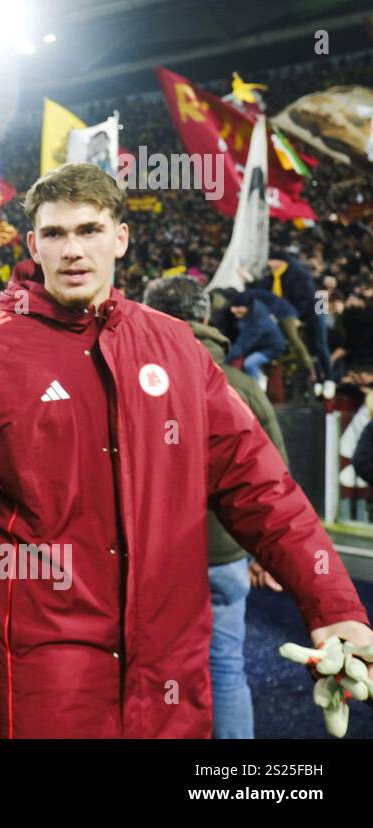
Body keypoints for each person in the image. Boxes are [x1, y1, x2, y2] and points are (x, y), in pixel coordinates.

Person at [0, 162, 371, 738]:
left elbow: (261, 487)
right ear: (33, 244)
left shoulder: (176, 347)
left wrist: (335, 605)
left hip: (170, 663)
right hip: (47, 664)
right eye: (55, 234)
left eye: (90, 230)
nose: (72, 249)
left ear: (120, 238)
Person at [143, 274, 288, 739]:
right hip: (224, 555)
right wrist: (268, 553)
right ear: (206, 318)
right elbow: (274, 480)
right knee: (226, 668)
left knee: (154, 673)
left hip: (153, 559)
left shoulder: (130, 379)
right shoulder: (242, 386)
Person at [255, 249, 332, 397]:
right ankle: (315, 380)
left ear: (279, 261)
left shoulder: (298, 274)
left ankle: (329, 379)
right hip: (294, 310)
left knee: (320, 343)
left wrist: (296, 316)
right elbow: (262, 288)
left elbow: (305, 299)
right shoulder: (273, 276)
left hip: (315, 306)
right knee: (305, 345)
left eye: (270, 261)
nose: (268, 264)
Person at [225, 290, 285, 391]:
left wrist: (225, 359)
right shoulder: (250, 313)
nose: (233, 310)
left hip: (271, 348)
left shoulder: (257, 319)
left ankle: (256, 389)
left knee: (249, 363)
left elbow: (243, 343)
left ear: (246, 307)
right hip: (258, 346)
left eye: (237, 307)